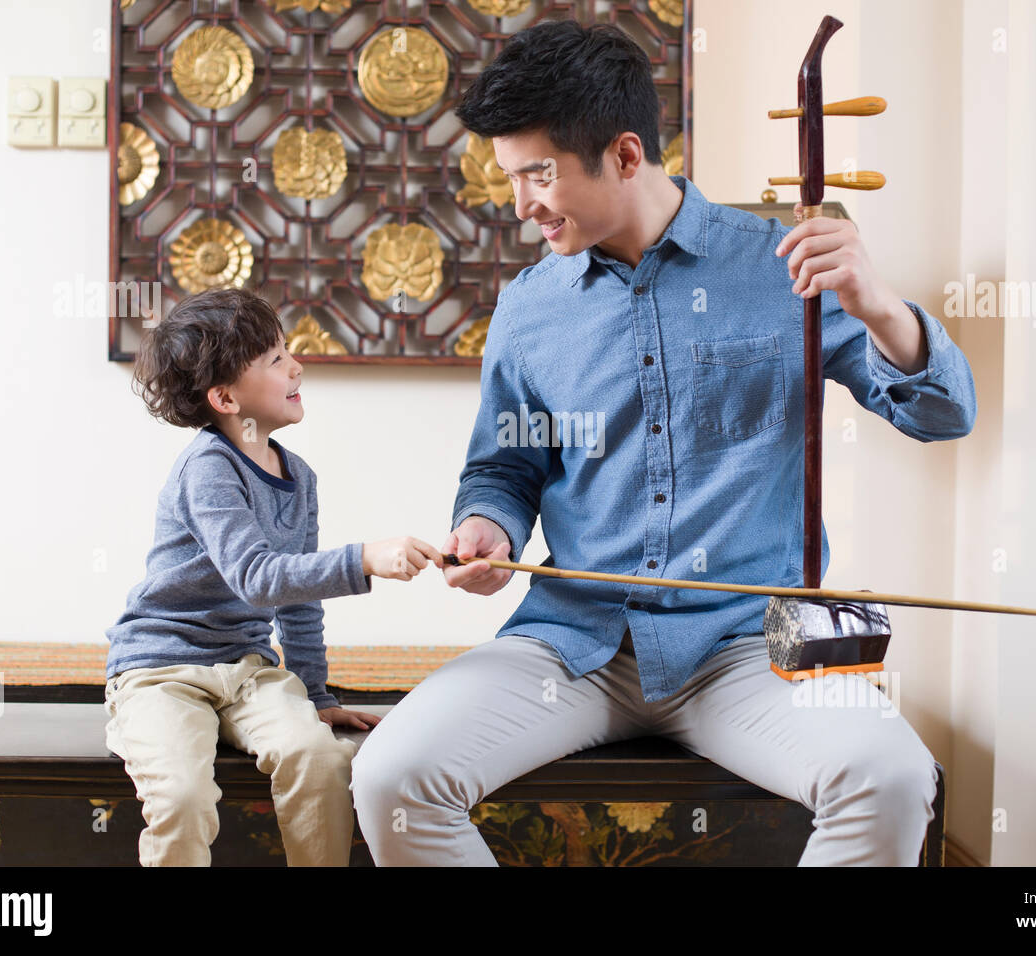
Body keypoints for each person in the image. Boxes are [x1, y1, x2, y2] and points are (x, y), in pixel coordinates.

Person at [349, 19, 977, 867]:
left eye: (539, 173)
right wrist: (488, 527)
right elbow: (505, 464)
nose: (522, 202)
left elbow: (943, 415)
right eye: (510, 177)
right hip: (574, 644)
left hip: (750, 645)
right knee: (393, 772)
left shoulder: (782, 265)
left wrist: (880, 307)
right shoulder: (531, 306)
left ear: (625, 154)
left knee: (892, 775)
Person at [104, 287, 443, 866]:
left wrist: (314, 693)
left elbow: (298, 601)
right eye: (275, 359)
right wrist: (363, 558)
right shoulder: (207, 467)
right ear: (225, 397)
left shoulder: (299, 478)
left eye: (287, 351)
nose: (297, 365)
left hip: (247, 670)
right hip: (162, 670)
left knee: (321, 758)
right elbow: (259, 579)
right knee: (182, 795)